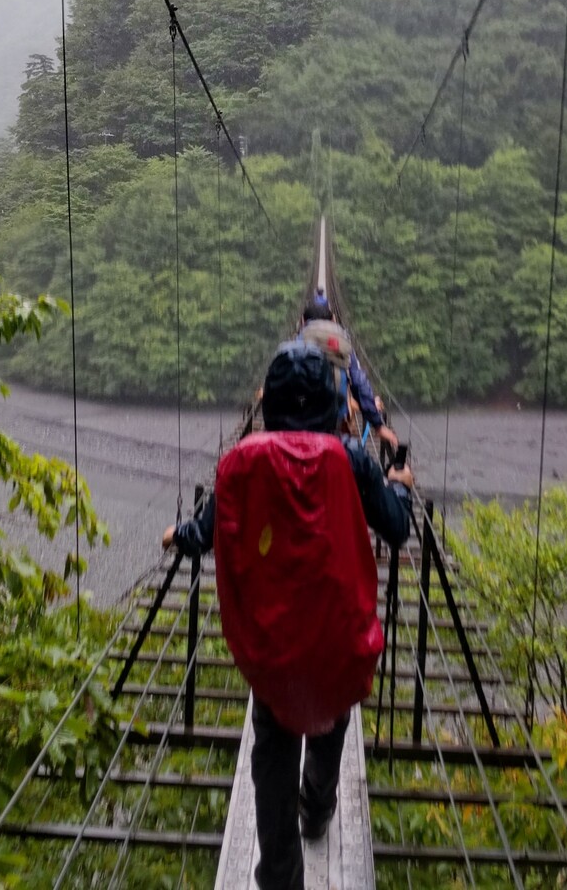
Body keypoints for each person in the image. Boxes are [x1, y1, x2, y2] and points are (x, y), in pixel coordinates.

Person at [164, 342, 413, 890]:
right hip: (339, 637)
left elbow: (203, 534)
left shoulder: (241, 461)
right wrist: (398, 487)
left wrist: (175, 535)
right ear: (332, 401)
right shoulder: (351, 459)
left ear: (269, 401)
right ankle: (318, 811)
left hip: (272, 644)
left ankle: (280, 875)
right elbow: (397, 531)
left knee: (271, 754)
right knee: (330, 730)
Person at [300, 298, 399, 451]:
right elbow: (359, 382)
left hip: (299, 419)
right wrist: (378, 425)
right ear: (333, 320)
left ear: (302, 322)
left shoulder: (293, 346)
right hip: (334, 417)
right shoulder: (343, 346)